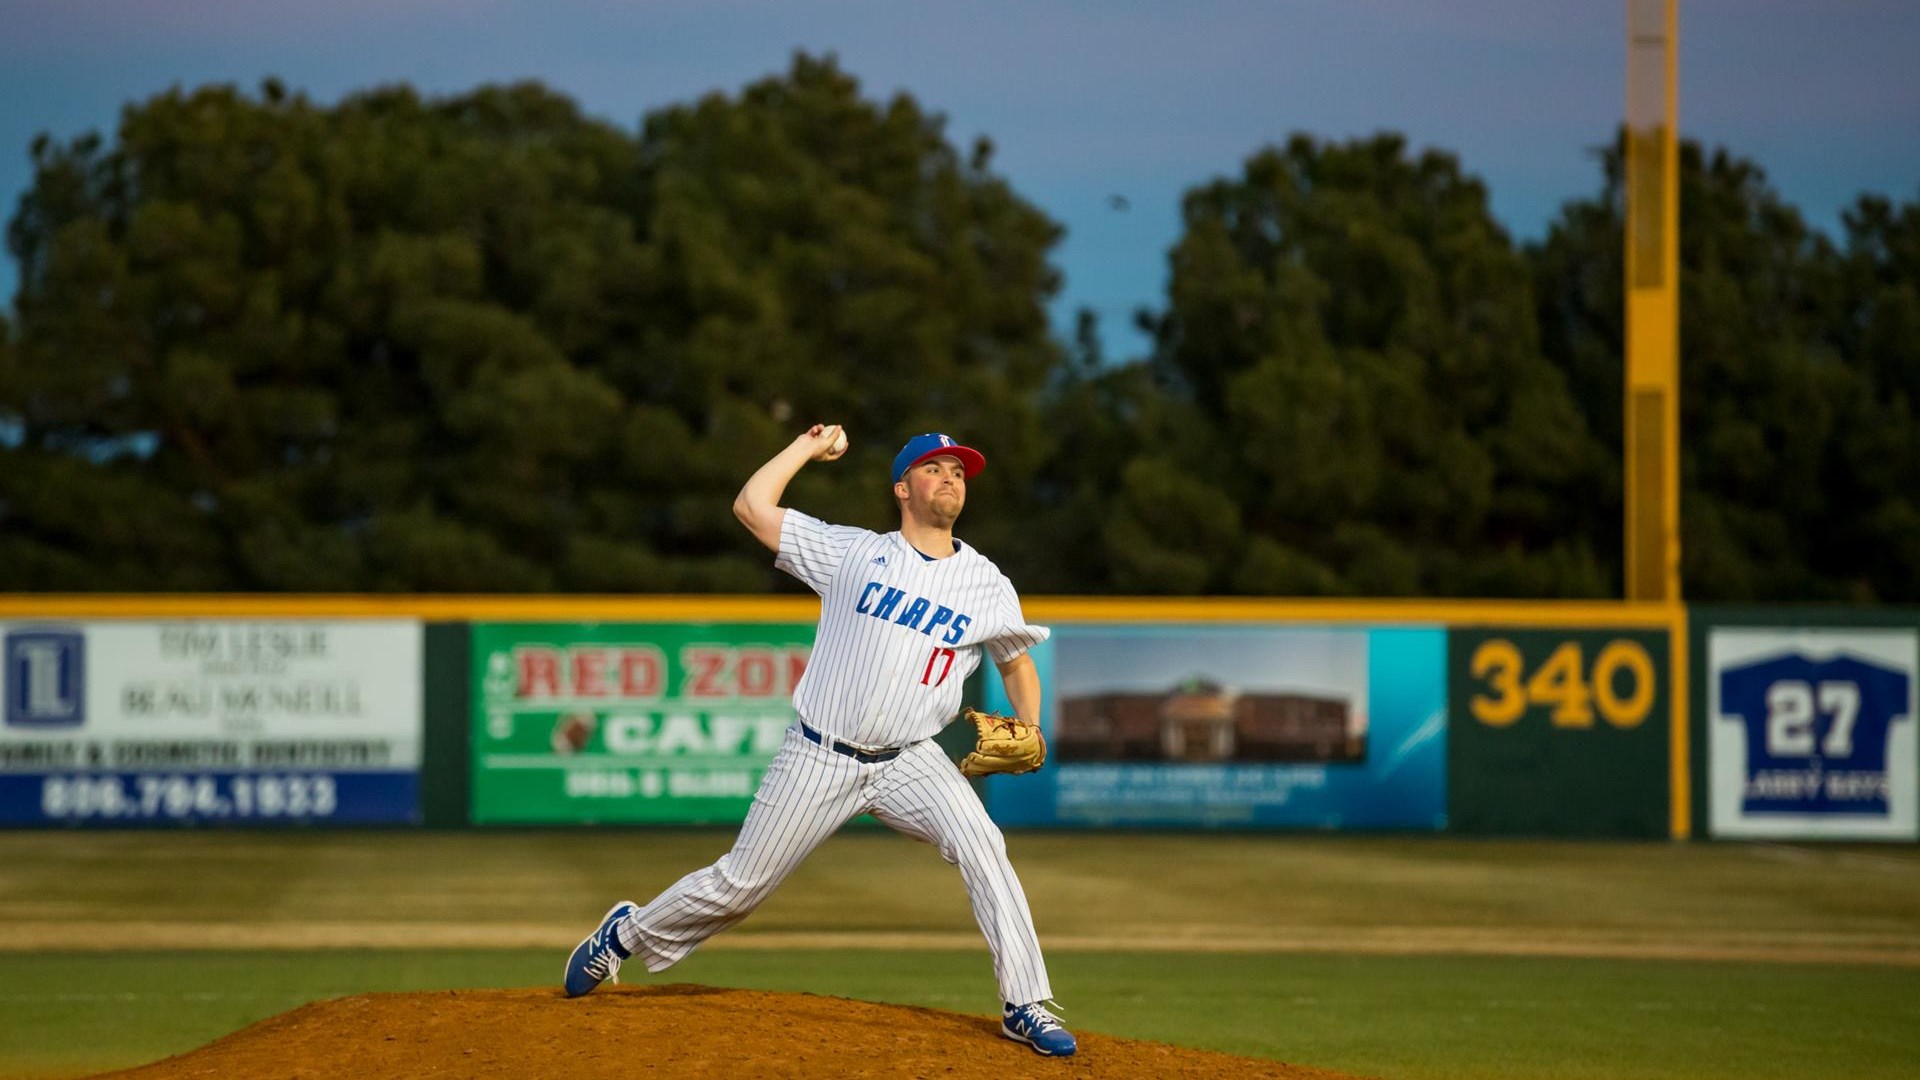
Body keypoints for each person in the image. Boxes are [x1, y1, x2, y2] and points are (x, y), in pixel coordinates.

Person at [562, 425, 1076, 1058]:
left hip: (912, 759)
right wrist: (807, 447)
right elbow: (752, 507)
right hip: (819, 753)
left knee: (985, 847)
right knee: (737, 888)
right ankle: (627, 933)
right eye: (936, 469)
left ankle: (1024, 1003)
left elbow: (1016, 661)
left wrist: (1030, 723)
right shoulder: (853, 553)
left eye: (959, 473)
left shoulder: (987, 583)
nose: (951, 479)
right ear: (902, 488)